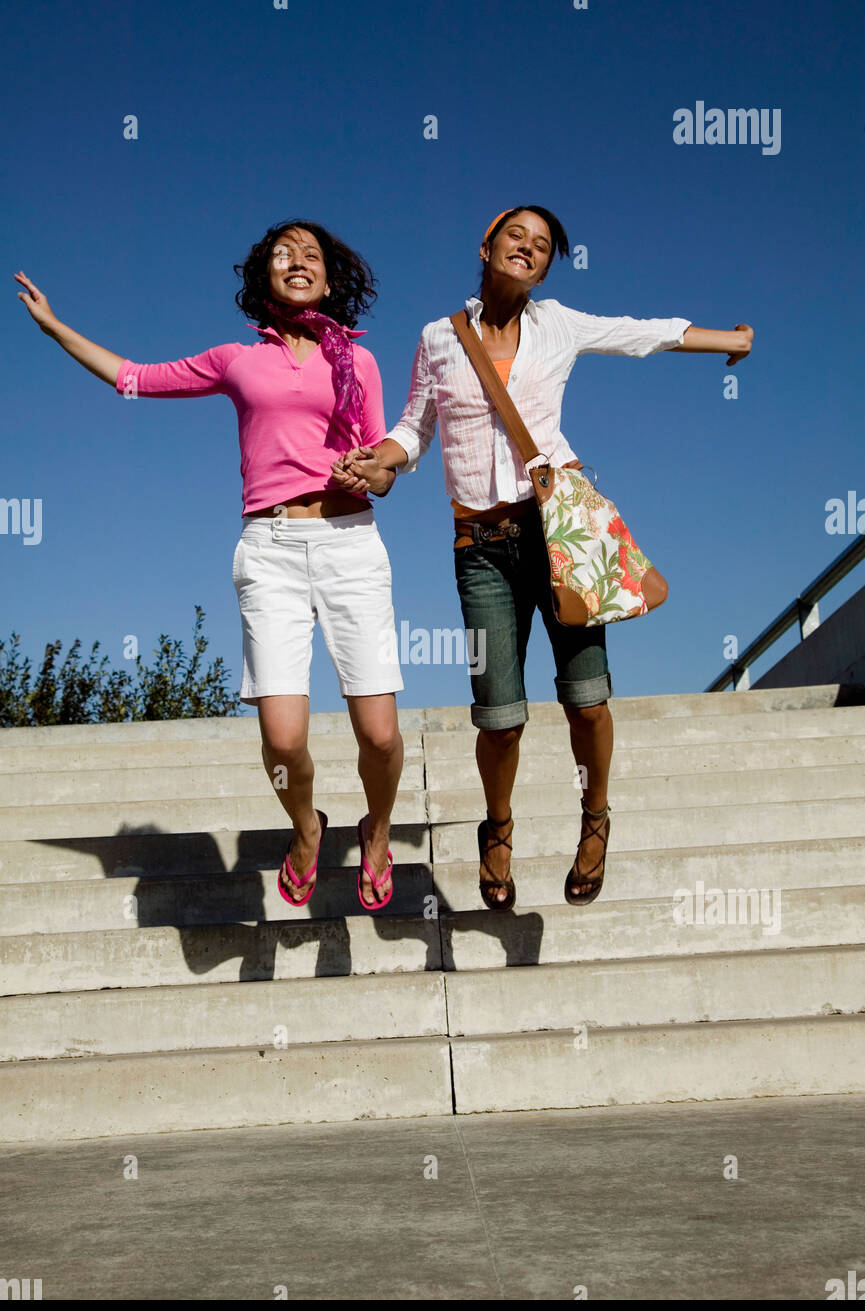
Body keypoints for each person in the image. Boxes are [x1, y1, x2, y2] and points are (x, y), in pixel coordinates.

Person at [333, 205, 753, 909]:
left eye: (542, 246)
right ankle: (497, 830)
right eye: (515, 238)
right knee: (498, 716)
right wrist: (380, 461)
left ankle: (595, 817)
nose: (528, 250)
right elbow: (414, 426)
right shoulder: (439, 337)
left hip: (559, 538)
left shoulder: (556, 323)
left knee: (587, 704)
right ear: (486, 246)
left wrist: (728, 340)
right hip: (480, 549)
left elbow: (640, 334)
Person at [14, 219, 404, 911]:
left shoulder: (360, 363)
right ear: (263, 277)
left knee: (378, 731)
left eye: (311, 255)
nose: (297, 262)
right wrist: (56, 330)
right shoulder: (237, 360)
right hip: (270, 550)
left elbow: (384, 466)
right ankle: (306, 828)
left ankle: (375, 834)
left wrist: (369, 471)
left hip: (349, 541)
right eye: (283, 254)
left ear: (330, 276)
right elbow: (134, 378)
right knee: (284, 742)